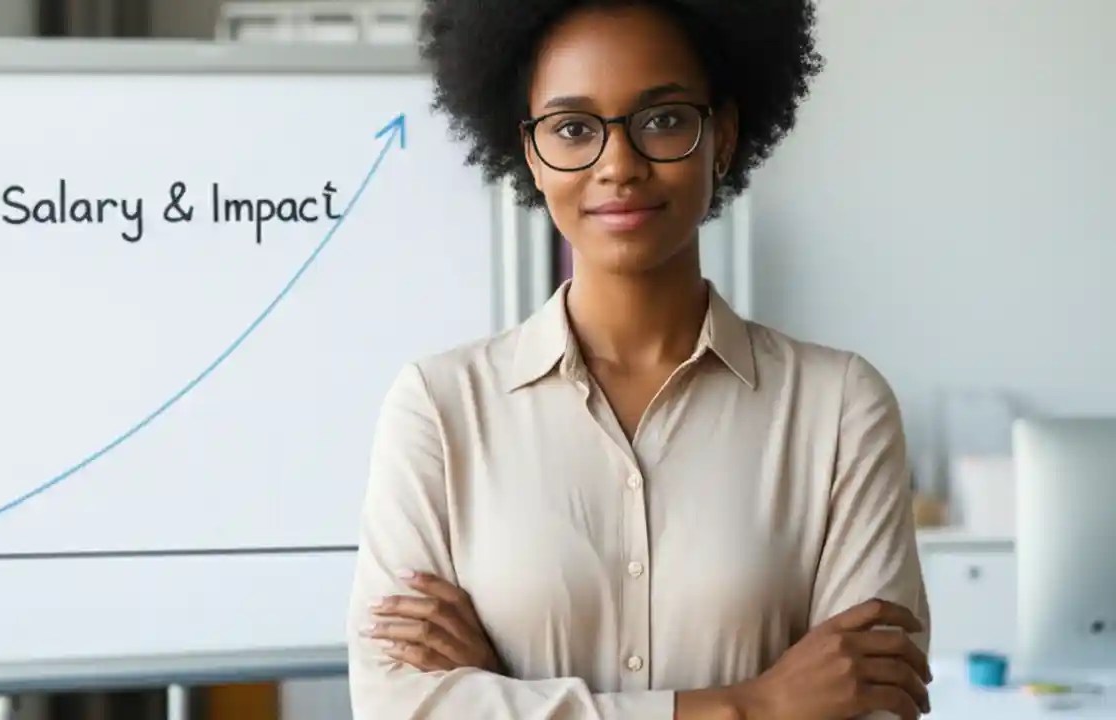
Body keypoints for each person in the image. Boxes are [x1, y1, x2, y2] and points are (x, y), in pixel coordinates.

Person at [346, 0, 931, 717]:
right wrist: (755, 706)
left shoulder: (839, 408)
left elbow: (871, 704)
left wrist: (506, 693)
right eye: (572, 128)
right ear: (531, 154)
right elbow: (398, 706)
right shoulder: (439, 408)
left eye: (663, 120)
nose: (619, 166)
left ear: (722, 137)